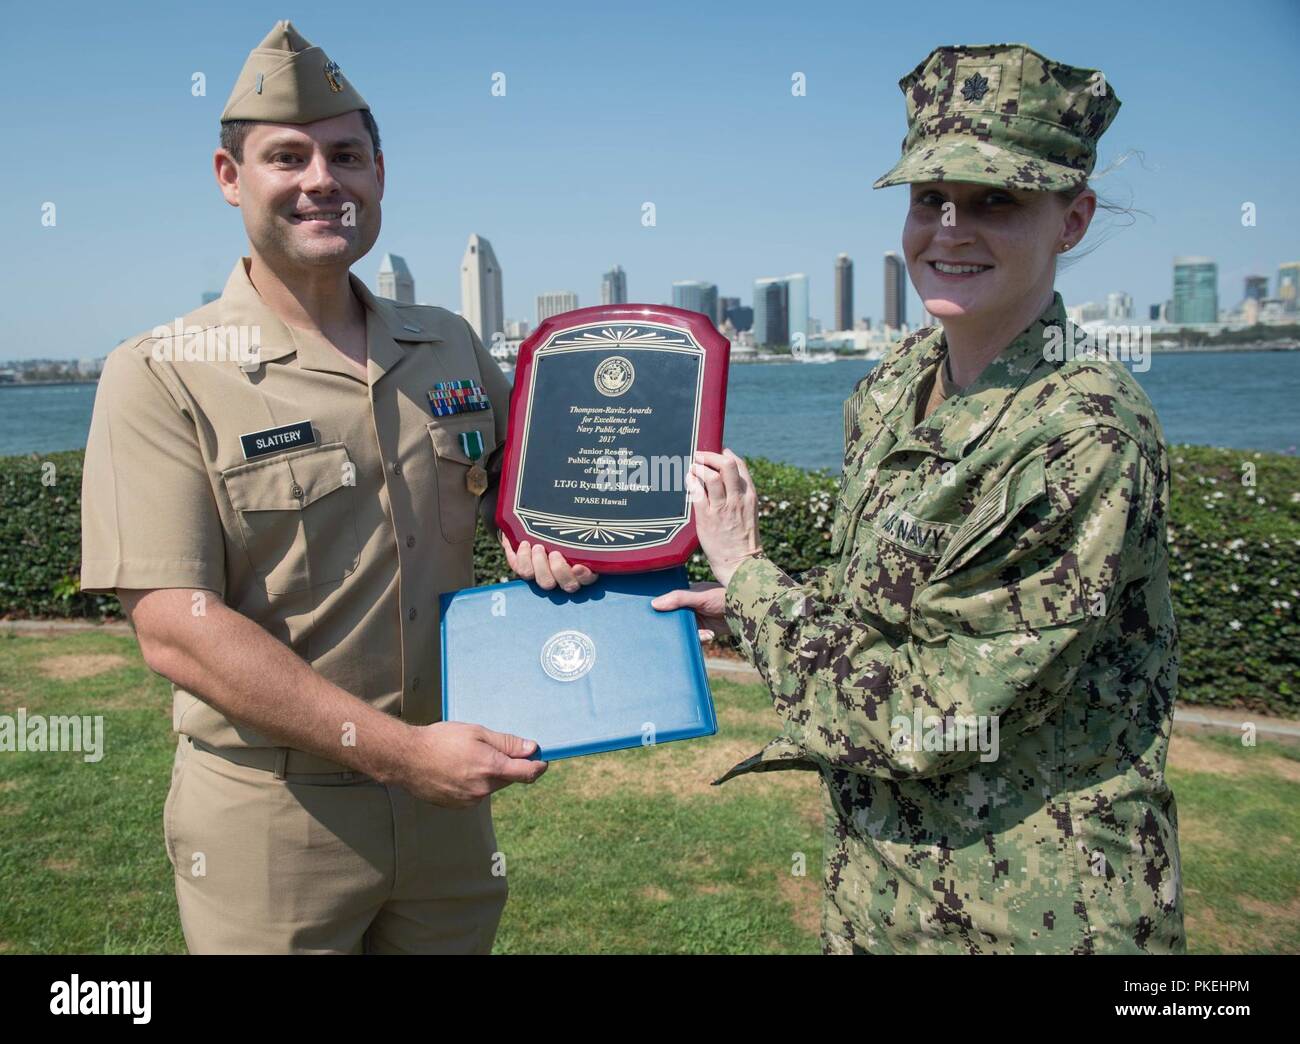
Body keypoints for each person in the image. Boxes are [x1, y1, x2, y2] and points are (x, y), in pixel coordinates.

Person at [654, 43, 1184, 954]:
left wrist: (746, 574)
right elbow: (894, 611)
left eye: (996, 202)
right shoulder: (897, 385)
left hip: (1032, 911)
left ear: (1073, 220)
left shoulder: (1081, 435)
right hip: (880, 891)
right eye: (927, 198)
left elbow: (932, 714)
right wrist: (760, 604)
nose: (949, 229)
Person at [79, 21, 589, 955]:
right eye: (288, 156)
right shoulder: (162, 371)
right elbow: (173, 626)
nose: (323, 179)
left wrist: (548, 546)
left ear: (380, 175)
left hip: (447, 806)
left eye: (347, 155)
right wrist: (399, 756)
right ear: (230, 178)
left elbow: (524, 508)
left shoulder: (447, 344)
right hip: (275, 821)